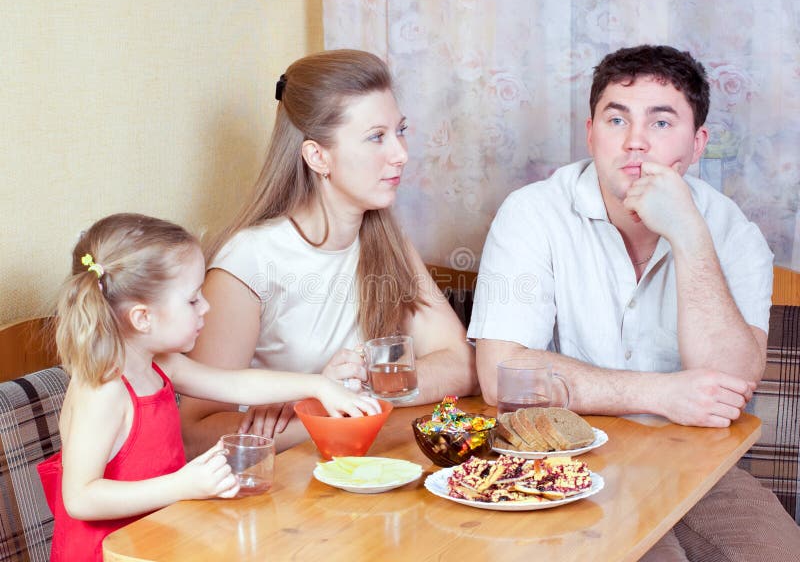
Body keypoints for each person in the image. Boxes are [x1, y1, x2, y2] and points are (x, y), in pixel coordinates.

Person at [468, 45, 800, 561]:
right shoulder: (532, 213)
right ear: (591, 134)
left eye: (662, 122)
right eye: (616, 118)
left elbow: (730, 380)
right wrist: (661, 394)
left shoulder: (733, 231)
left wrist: (688, 235)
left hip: (698, 465)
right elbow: (503, 374)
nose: (635, 142)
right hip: (562, 456)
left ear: (697, 144)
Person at [179, 49, 477, 459]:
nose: (401, 154)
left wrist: (355, 390)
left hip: (354, 475)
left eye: (400, 130)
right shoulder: (248, 263)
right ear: (317, 156)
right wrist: (318, 409)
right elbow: (194, 434)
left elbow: (460, 364)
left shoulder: (386, 238)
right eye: (376, 137)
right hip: (276, 495)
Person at [37, 213, 380, 562]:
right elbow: (80, 499)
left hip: (158, 540)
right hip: (108, 554)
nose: (207, 307)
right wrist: (183, 485)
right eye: (192, 300)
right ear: (142, 318)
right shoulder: (104, 389)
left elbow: (237, 384)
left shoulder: (160, 363)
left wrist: (319, 386)